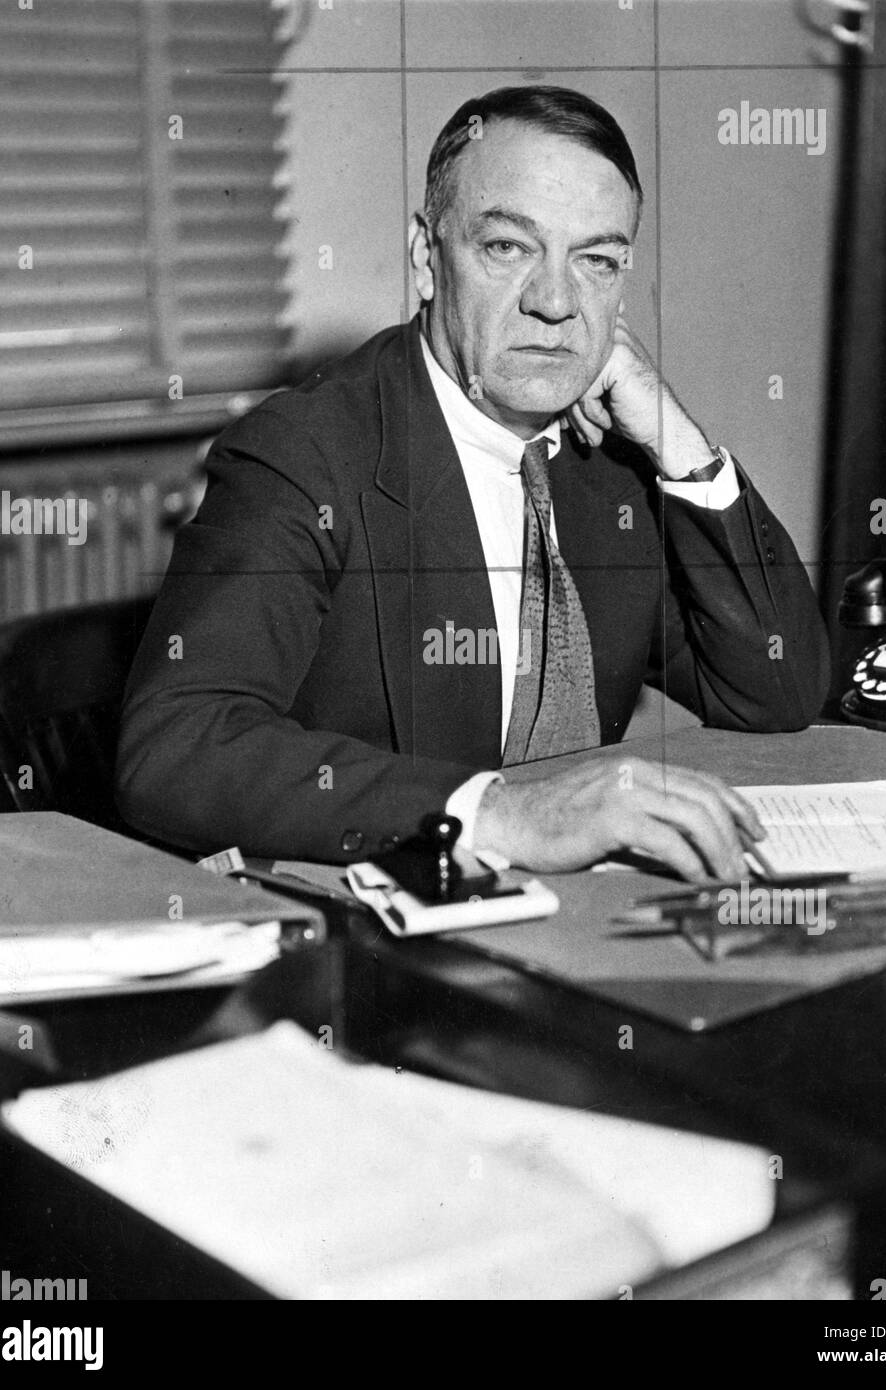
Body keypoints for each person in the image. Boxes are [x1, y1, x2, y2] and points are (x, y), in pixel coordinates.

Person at [116, 85, 830, 879]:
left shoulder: (611, 465)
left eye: (595, 260)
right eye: (507, 248)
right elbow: (175, 746)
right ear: (426, 259)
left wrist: (674, 434)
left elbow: (776, 689)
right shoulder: (308, 452)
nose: (556, 303)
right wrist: (495, 813)